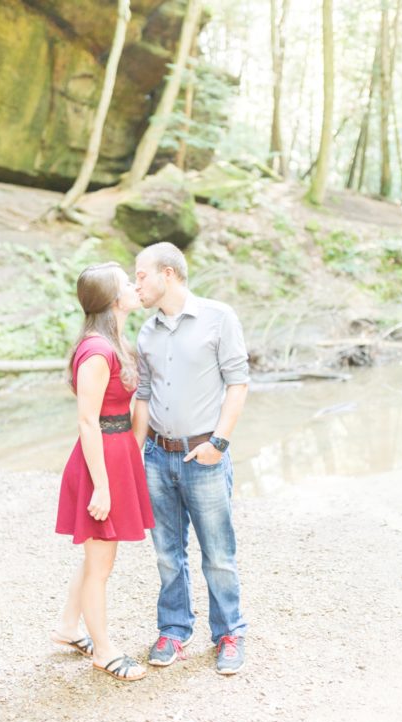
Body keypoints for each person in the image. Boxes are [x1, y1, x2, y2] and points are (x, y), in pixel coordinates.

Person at [131, 242, 249, 675]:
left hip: (205, 456)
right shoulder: (146, 333)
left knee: (218, 552)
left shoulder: (219, 317)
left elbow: (238, 383)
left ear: (168, 273)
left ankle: (230, 633)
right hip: (157, 457)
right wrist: (134, 456)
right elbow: (143, 397)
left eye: (141, 275)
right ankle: (174, 630)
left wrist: (218, 442)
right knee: (166, 552)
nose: (135, 284)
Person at [52, 262, 154, 682]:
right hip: (101, 461)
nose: (135, 286)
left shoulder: (115, 341)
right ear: (114, 300)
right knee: (101, 564)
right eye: (128, 283)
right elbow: (87, 421)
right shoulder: (97, 351)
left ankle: (66, 626)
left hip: (116, 452)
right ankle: (104, 651)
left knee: (96, 554)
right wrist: (102, 486)